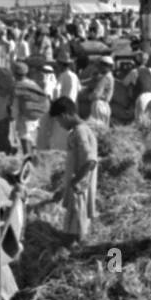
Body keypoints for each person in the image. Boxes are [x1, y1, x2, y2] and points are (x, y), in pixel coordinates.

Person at [49, 97, 99, 242]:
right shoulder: (80, 130)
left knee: (77, 227)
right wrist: (64, 188)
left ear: (64, 115)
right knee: (76, 224)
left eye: (59, 121)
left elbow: (90, 161)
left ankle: (75, 251)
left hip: (79, 189)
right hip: (77, 187)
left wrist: (74, 182)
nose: (60, 124)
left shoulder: (80, 132)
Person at [87, 56, 115, 126]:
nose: (99, 67)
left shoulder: (105, 78)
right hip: (106, 105)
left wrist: (89, 97)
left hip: (99, 105)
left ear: (105, 66)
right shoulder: (110, 77)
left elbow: (96, 94)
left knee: (97, 128)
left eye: (100, 65)